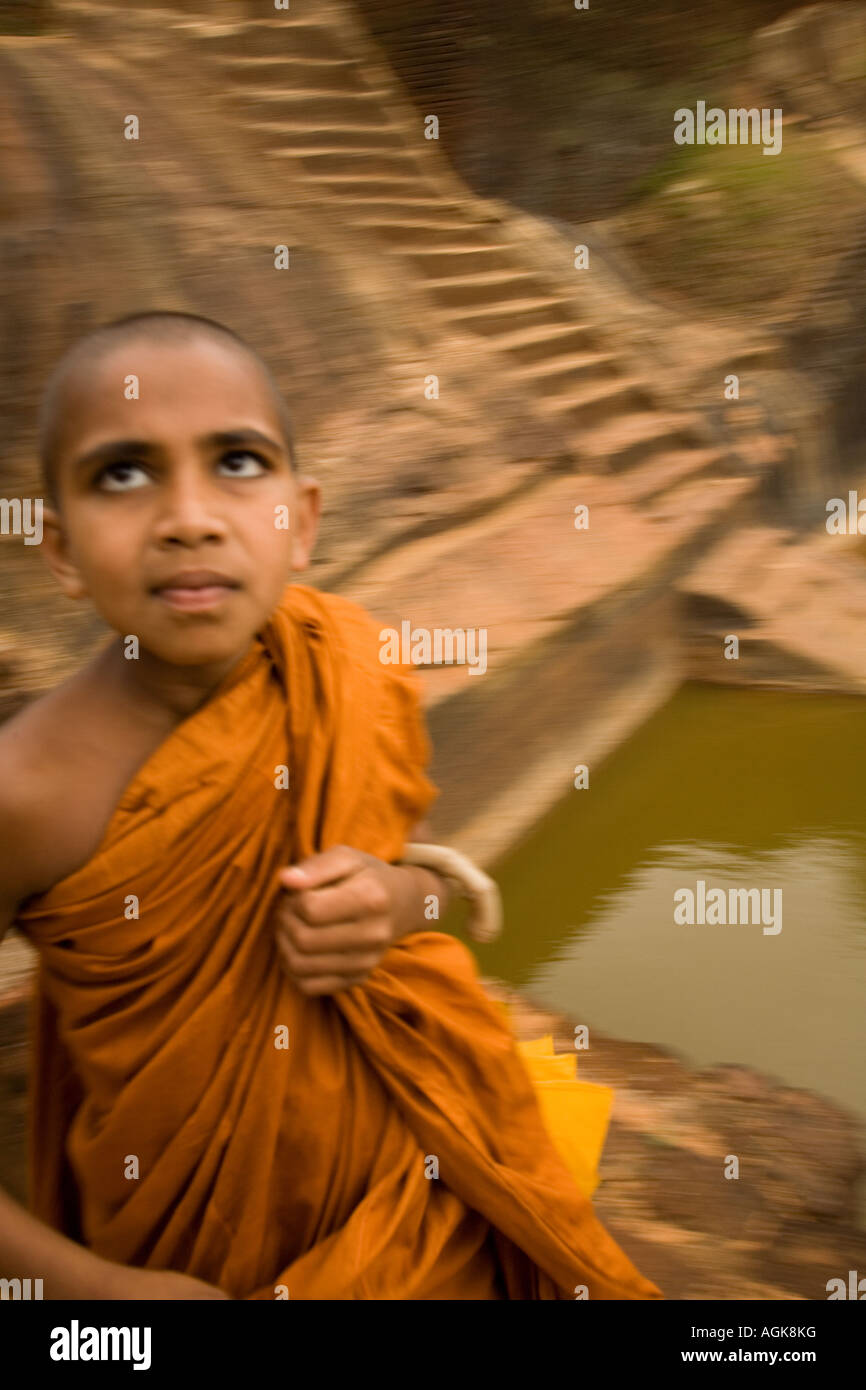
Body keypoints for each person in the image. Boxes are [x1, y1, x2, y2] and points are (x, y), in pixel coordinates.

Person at [0, 310, 662, 1300]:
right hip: (188, 1252)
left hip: (425, 1187)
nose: (189, 517)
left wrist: (391, 903)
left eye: (237, 463)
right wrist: (92, 1291)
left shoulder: (343, 664)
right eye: (124, 474)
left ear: (301, 521)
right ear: (58, 550)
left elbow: (426, 878)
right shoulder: (25, 790)